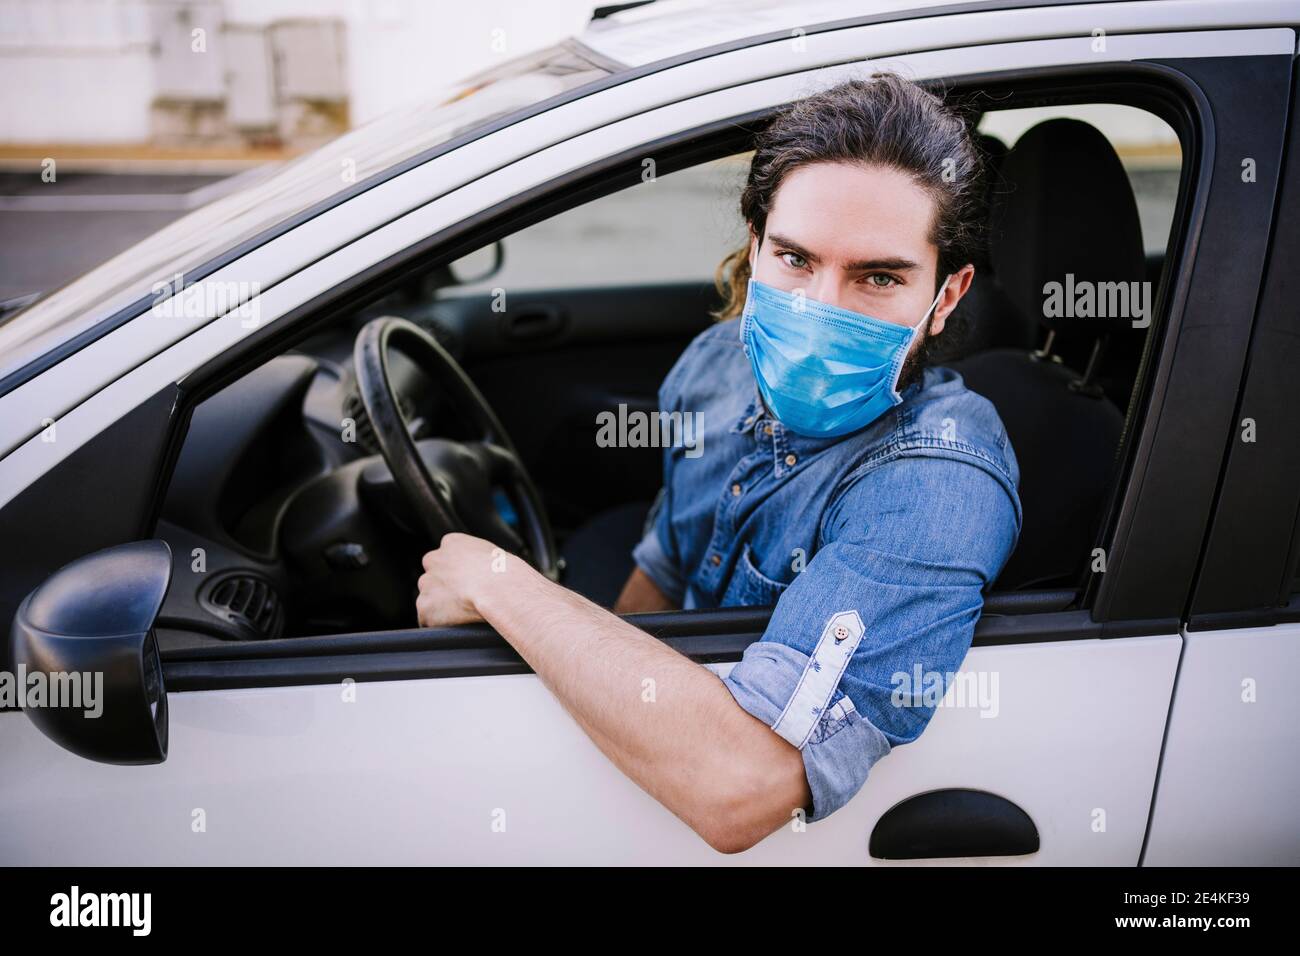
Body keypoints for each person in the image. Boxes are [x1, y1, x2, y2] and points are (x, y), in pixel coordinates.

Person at [415, 73, 1022, 854]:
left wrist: (504, 588)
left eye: (878, 278)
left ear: (945, 295)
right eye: (796, 259)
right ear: (755, 244)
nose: (820, 310)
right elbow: (665, 570)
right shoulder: (717, 365)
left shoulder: (937, 482)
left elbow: (744, 785)